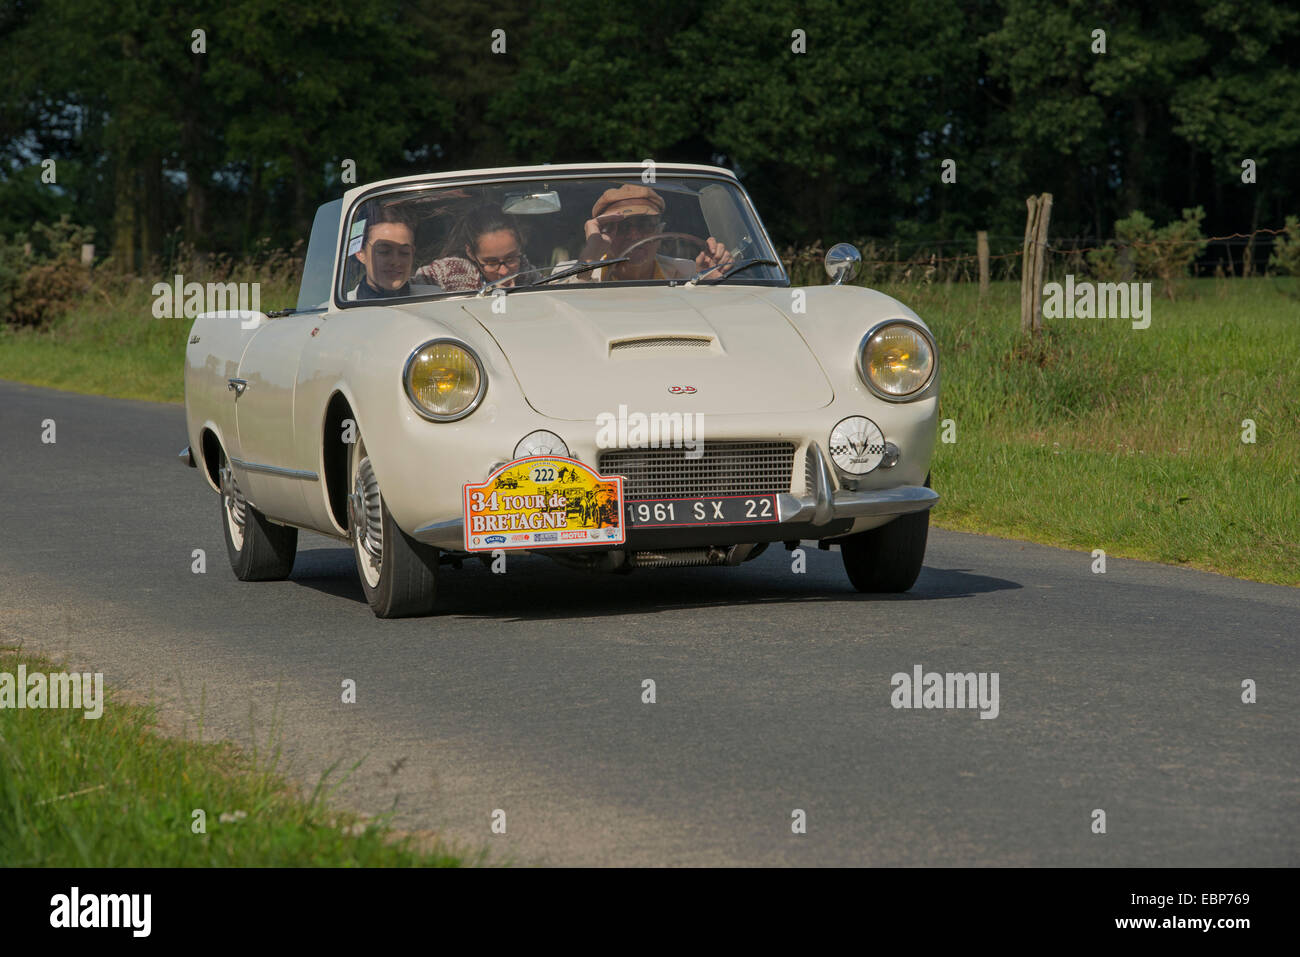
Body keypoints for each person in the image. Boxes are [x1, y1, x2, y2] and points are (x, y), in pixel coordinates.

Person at [563, 184, 733, 282]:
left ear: (659, 231)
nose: (635, 235)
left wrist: (710, 281)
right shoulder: (572, 272)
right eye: (622, 227)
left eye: (645, 225)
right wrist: (591, 254)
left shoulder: (688, 271)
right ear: (604, 232)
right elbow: (561, 308)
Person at [414, 204, 534, 292]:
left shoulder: (527, 273)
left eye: (511, 258)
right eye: (491, 262)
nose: (504, 271)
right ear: (471, 253)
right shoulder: (445, 273)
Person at [346, 205, 440, 300]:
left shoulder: (435, 299)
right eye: (384, 252)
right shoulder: (343, 309)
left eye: (404, 252)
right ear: (360, 253)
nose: (396, 261)